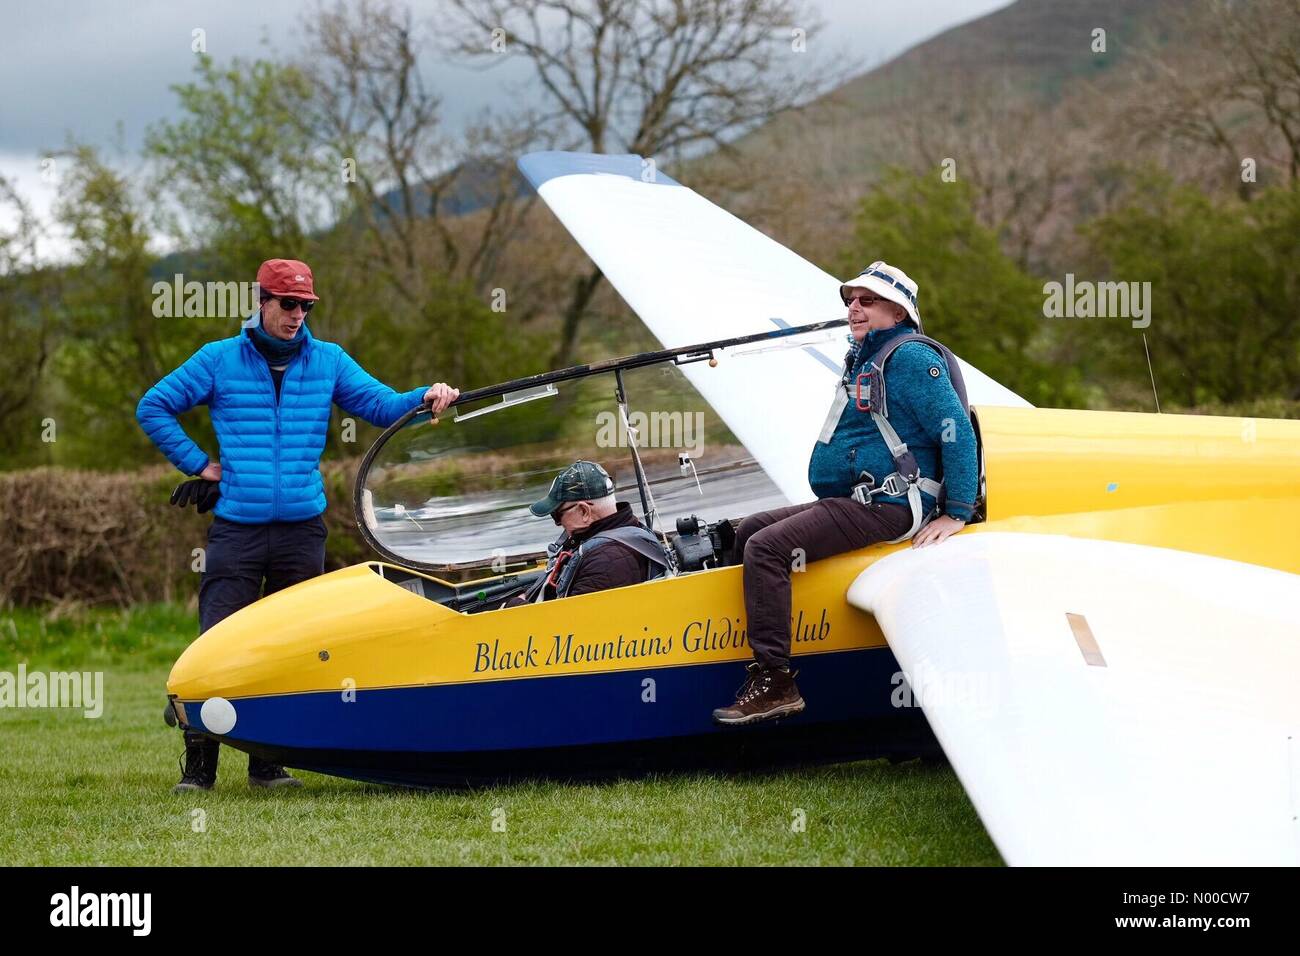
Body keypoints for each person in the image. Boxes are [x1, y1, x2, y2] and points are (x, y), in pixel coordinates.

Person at [138, 258, 460, 791]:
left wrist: (425, 398)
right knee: (215, 644)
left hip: (301, 531)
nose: (297, 316)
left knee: (291, 646)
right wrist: (197, 463)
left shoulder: (328, 360)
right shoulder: (218, 359)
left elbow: (381, 405)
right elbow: (153, 406)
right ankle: (199, 771)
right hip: (236, 530)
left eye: (306, 306)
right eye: (288, 304)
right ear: (261, 302)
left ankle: (269, 766)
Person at [712, 261, 978, 726]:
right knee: (751, 529)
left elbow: (957, 435)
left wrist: (955, 511)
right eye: (851, 300)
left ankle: (777, 683)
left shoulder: (911, 359)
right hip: (859, 500)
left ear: (898, 312)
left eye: (867, 300)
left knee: (766, 547)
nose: (854, 308)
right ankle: (745, 655)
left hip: (893, 505)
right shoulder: (869, 355)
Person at [514, 460, 672, 603]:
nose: (558, 524)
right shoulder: (628, 529)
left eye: (557, 515)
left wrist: (515, 606)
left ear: (584, 511)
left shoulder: (606, 560)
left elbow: (570, 626)